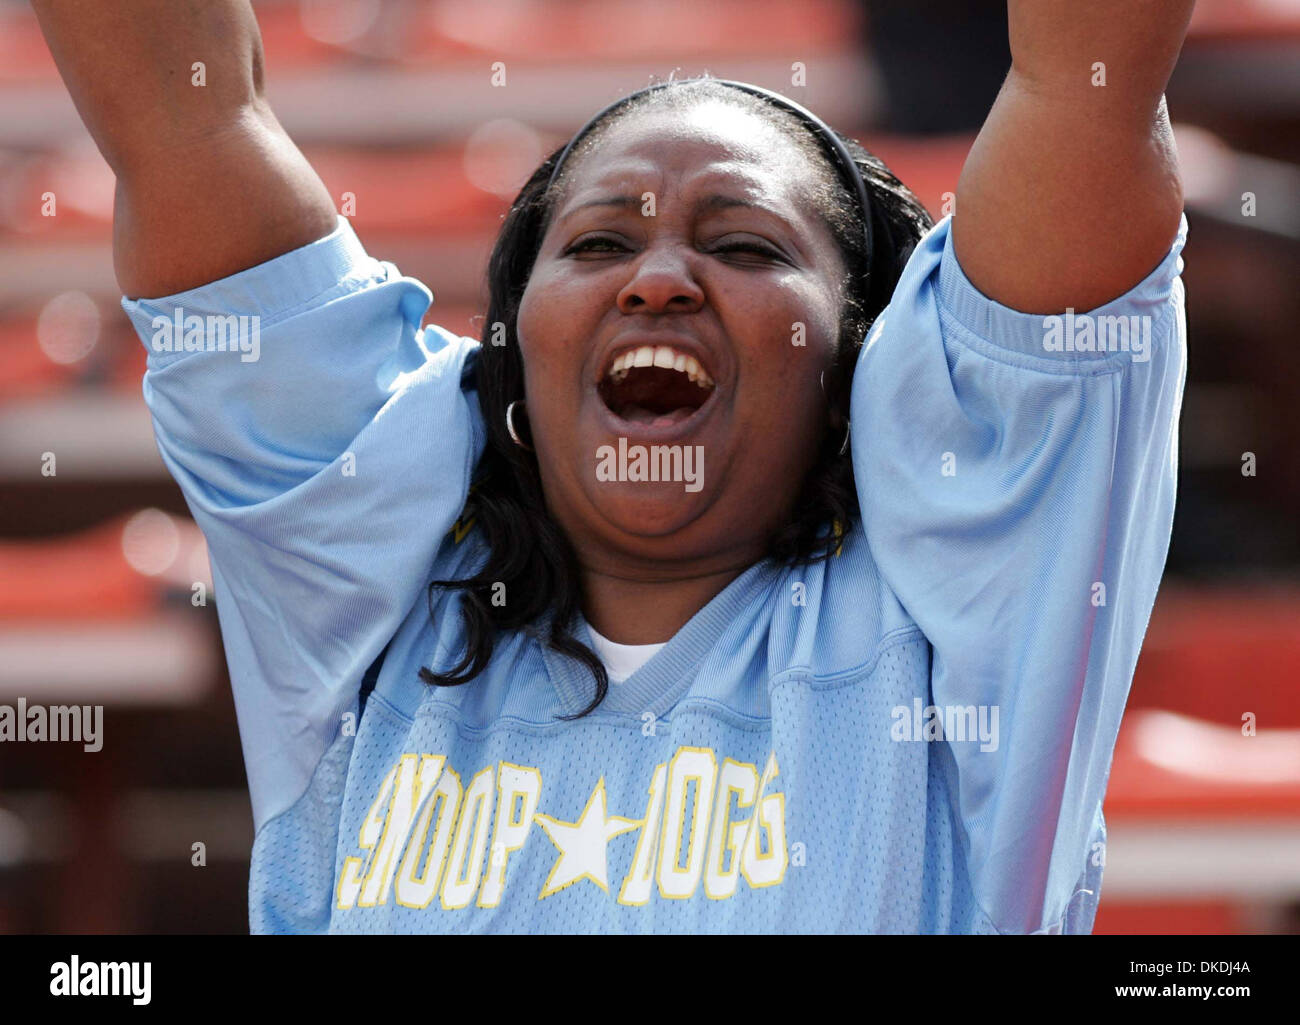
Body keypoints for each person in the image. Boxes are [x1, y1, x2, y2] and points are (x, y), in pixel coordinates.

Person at [32, 0, 1195, 933]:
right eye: (597, 244)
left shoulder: (959, 618)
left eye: (742, 245)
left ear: (856, 375)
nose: (657, 280)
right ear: (512, 358)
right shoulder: (367, 585)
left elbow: (1080, 90)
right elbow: (185, 119)